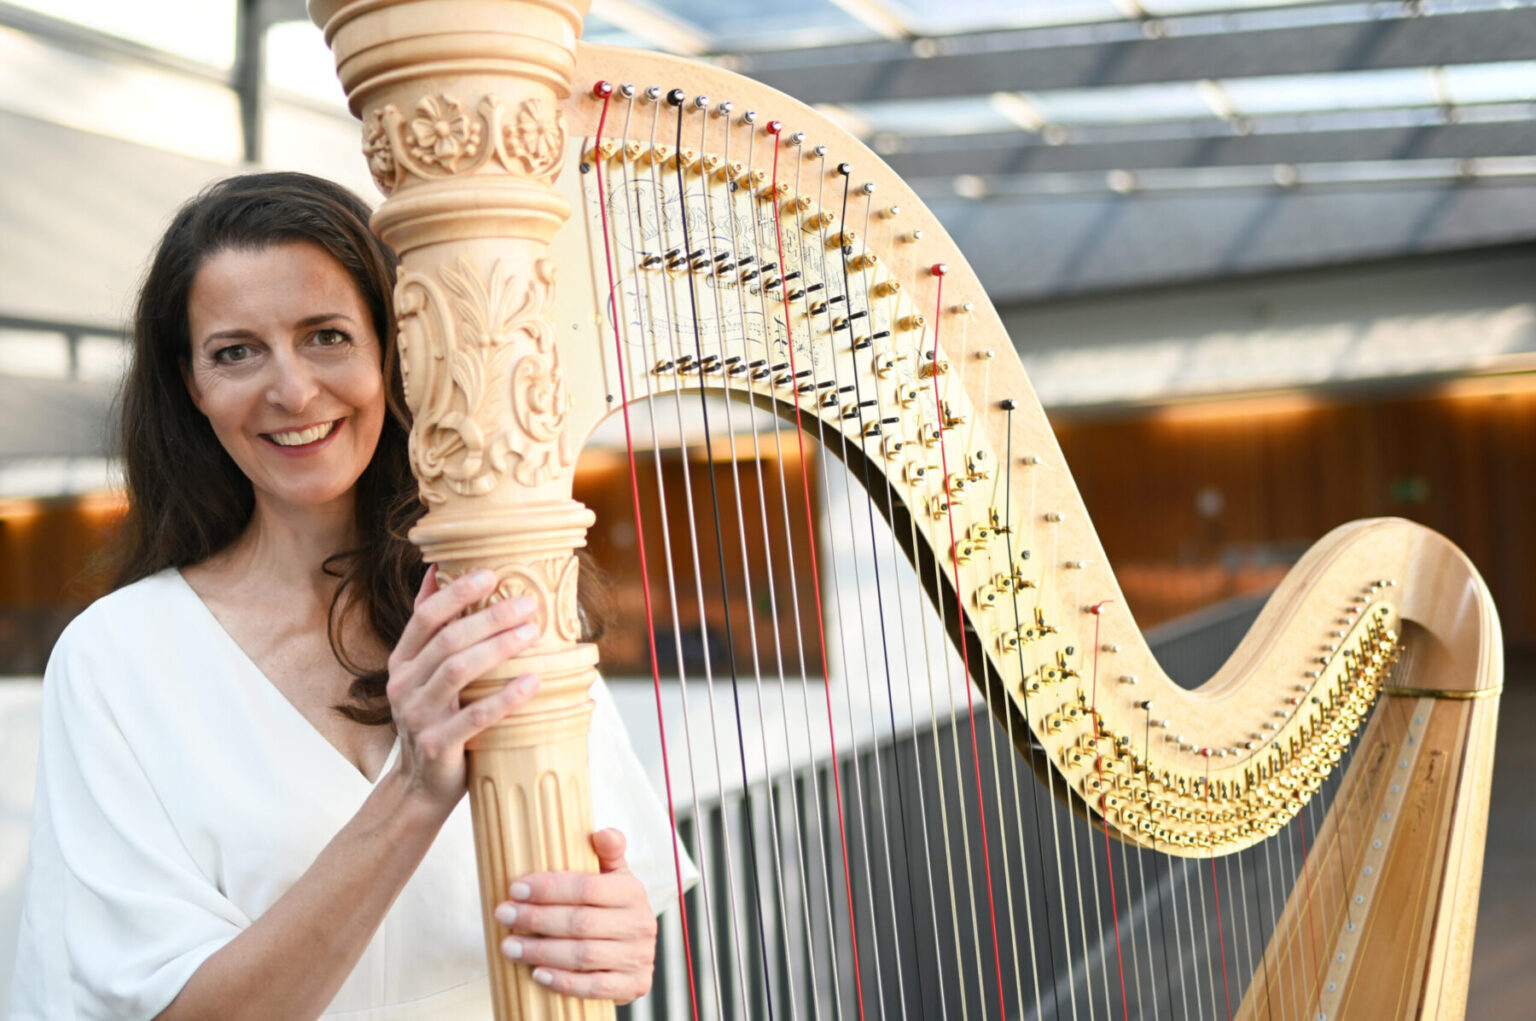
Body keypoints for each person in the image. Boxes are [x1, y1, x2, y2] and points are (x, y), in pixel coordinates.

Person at [9, 171, 691, 1019]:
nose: (291, 391)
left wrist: (614, 937)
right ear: (192, 385)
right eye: (236, 351)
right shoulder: (116, 659)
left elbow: (610, 896)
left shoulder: (497, 599)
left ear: (390, 348)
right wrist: (413, 787)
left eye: (326, 335)